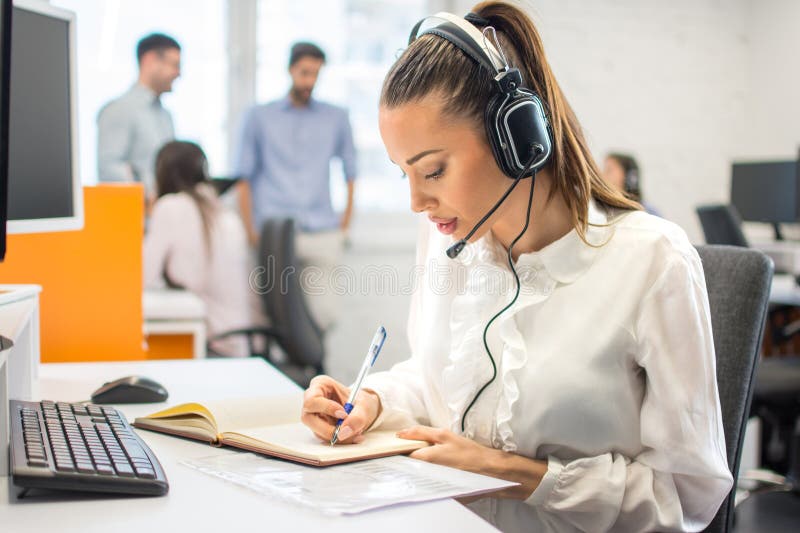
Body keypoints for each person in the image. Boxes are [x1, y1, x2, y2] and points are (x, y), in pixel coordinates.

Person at [300, 3, 732, 532]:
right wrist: (370, 401)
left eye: (432, 170)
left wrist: (516, 473)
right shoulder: (450, 242)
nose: (417, 200)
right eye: (403, 174)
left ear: (516, 139)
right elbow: (439, 381)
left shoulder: (652, 262)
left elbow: (688, 495)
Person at [234, 41, 357, 330]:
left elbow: (351, 172)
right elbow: (243, 177)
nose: (309, 81)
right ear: (290, 70)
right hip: (275, 232)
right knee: (274, 319)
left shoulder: (336, 117)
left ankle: (314, 371)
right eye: (304, 73)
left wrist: (345, 226)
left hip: (321, 231)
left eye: (315, 74)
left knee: (324, 316)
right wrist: (251, 231)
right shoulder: (259, 117)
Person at [144, 141, 252, 358]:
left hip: (213, 346)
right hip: (237, 343)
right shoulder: (221, 210)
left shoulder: (172, 207)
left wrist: (149, 213)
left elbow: (144, 277)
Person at [97, 33, 181, 202]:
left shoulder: (166, 116)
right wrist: (147, 195)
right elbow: (109, 168)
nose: (178, 73)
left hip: (165, 216)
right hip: (136, 219)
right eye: (174, 65)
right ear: (149, 61)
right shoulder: (119, 110)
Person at [603, 152, 662, 216]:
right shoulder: (601, 209)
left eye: (609, 170)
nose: (603, 175)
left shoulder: (648, 212)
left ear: (627, 175)